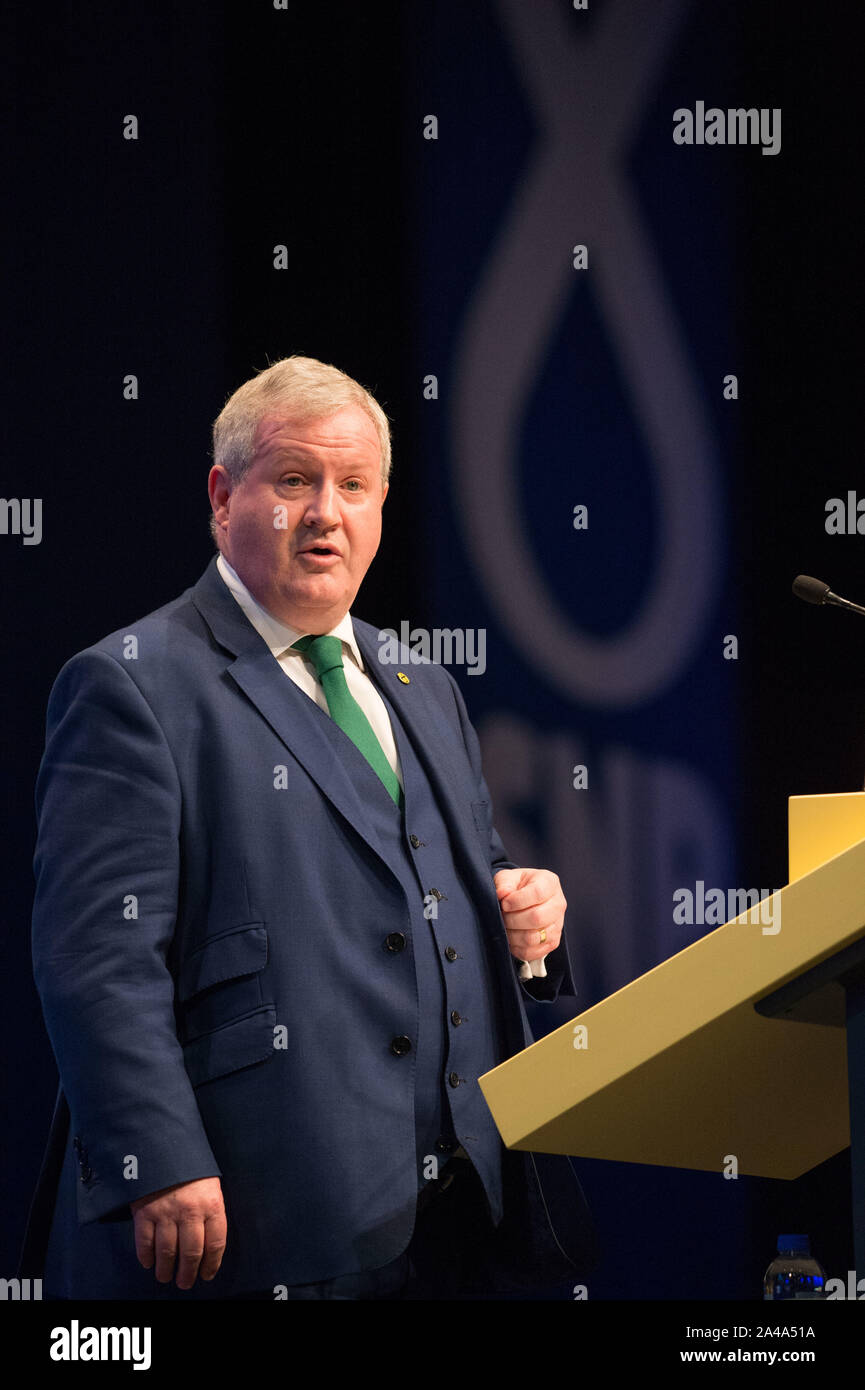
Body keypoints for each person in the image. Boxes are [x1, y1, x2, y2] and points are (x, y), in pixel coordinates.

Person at [22, 356, 597, 1300]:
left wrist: (525, 914)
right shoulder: (135, 682)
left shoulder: (424, 686)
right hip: (265, 1209)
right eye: (295, 480)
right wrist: (155, 1157)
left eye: (355, 485)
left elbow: (462, 879)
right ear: (222, 495)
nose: (327, 511)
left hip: (459, 1211)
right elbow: (96, 955)